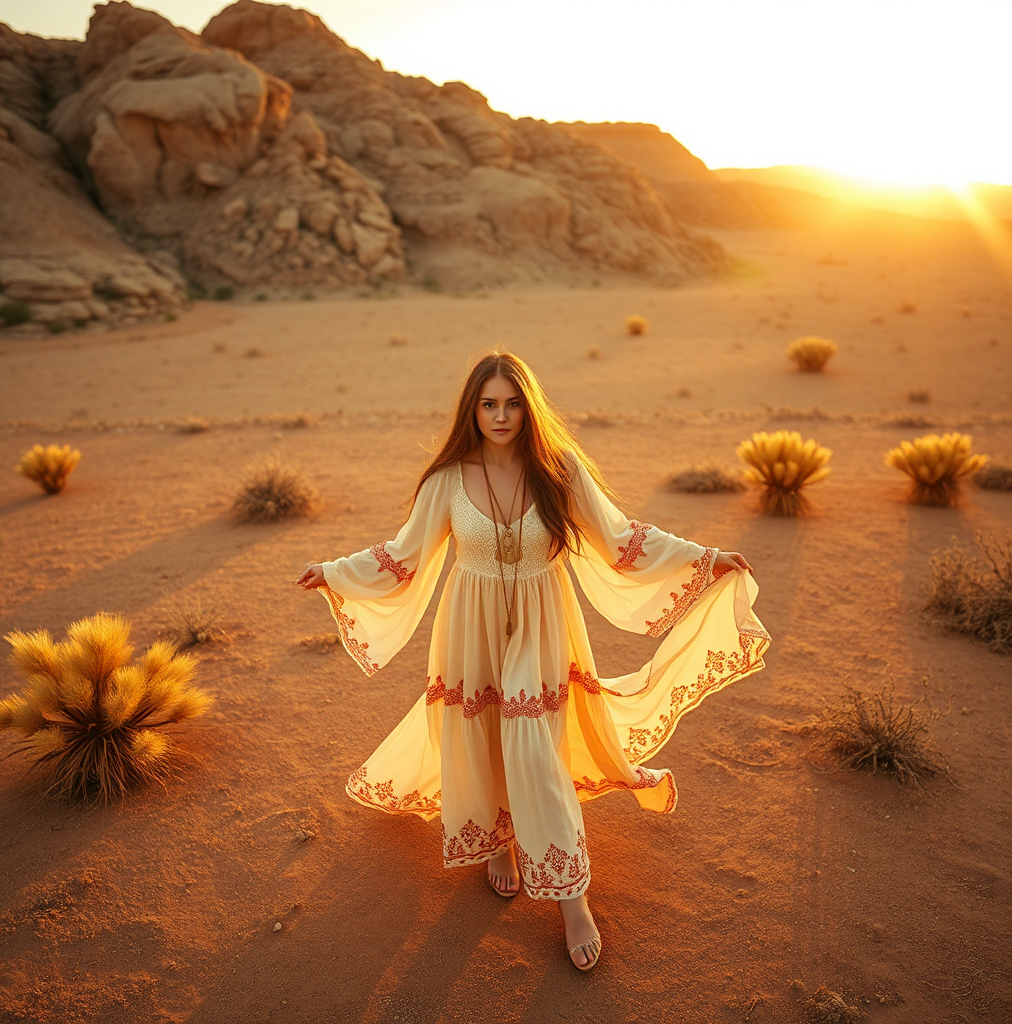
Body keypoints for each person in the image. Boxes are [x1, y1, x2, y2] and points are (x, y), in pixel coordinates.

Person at [296, 351, 770, 971]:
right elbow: (403, 555)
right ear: (472, 410)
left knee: (534, 748)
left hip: (544, 625)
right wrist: (335, 573)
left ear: (529, 407)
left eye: (513, 403)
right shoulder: (447, 481)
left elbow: (621, 538)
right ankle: (499, 840)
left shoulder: (559, 469)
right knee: (482, 733)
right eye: (489, 404)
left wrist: (704, 558)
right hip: (469, 626)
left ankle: (573, 899)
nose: (501, 415)